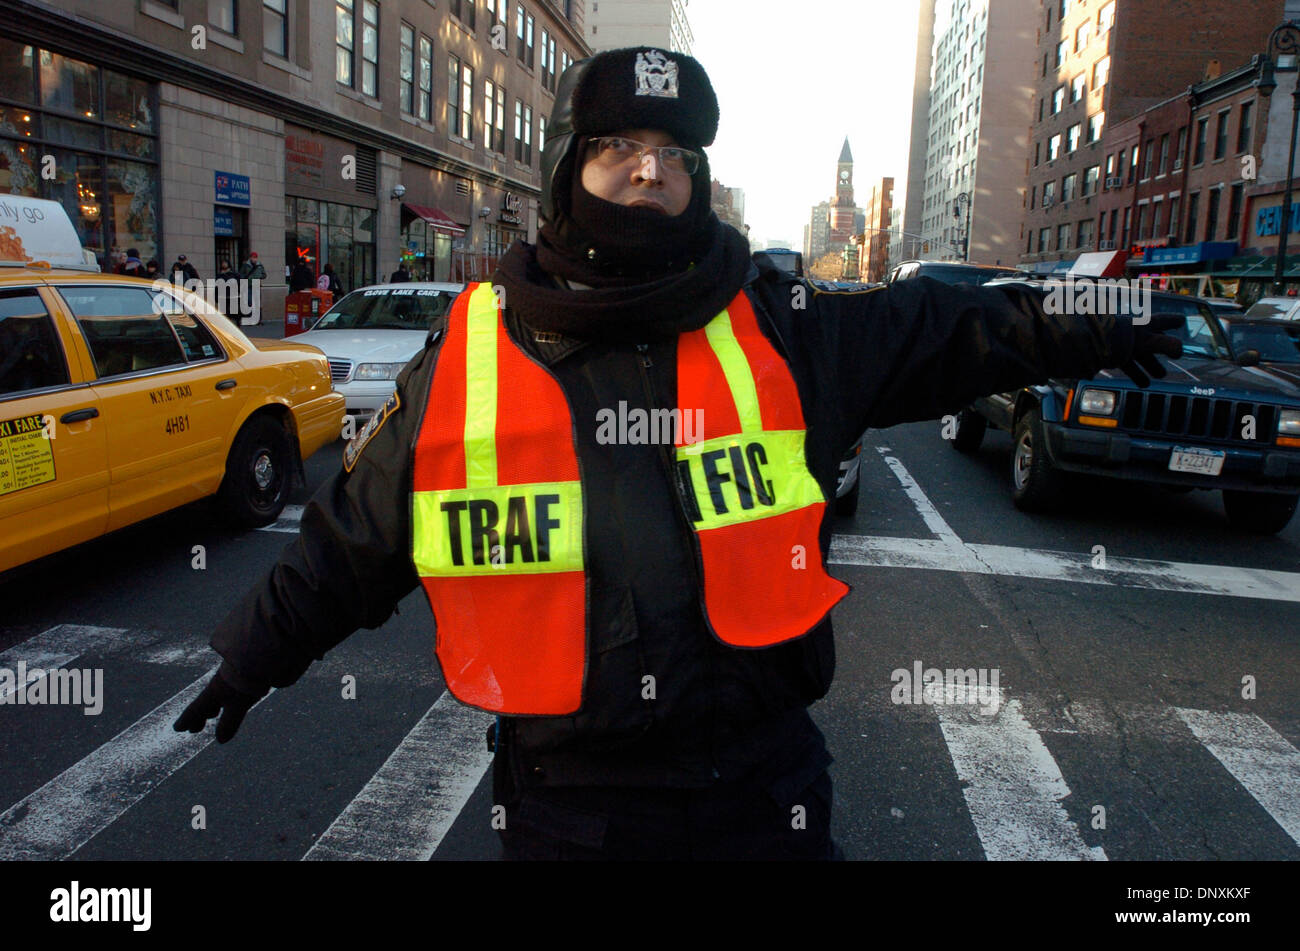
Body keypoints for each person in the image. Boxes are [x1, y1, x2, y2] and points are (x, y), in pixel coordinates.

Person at [174, 47, 1182, 860]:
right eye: (619, 144)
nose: (651, 168)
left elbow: (945, 322)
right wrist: (254, 652)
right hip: (570, 809)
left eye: (675, 151)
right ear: (568, 166)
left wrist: (1093, 314)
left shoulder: (782, 321)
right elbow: (355, 535)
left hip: (765, 792)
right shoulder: (475, 346)